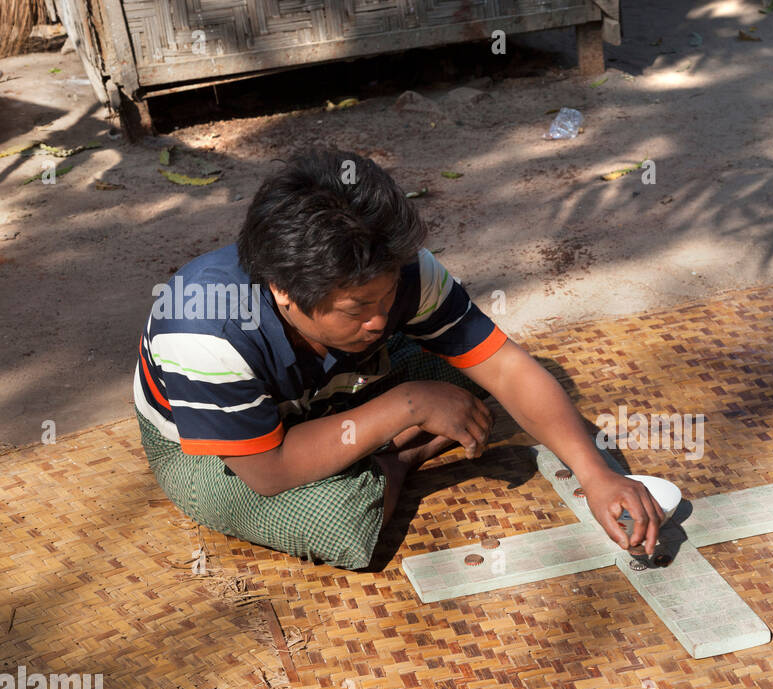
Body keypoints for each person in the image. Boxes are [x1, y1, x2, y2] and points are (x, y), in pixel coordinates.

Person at [135, 147, 661, 570]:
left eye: (386, 298)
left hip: (337, 386)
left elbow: (504, 366)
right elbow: (269, 471)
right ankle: (396, 459)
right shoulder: (203, 333)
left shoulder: (399, 269)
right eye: (357, 308)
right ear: (284, 291)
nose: (380, 320)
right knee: (338, 521)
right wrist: (408, 406)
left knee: (482, 382)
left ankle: (373, 434)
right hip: (210, 449)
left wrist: (598, 473)